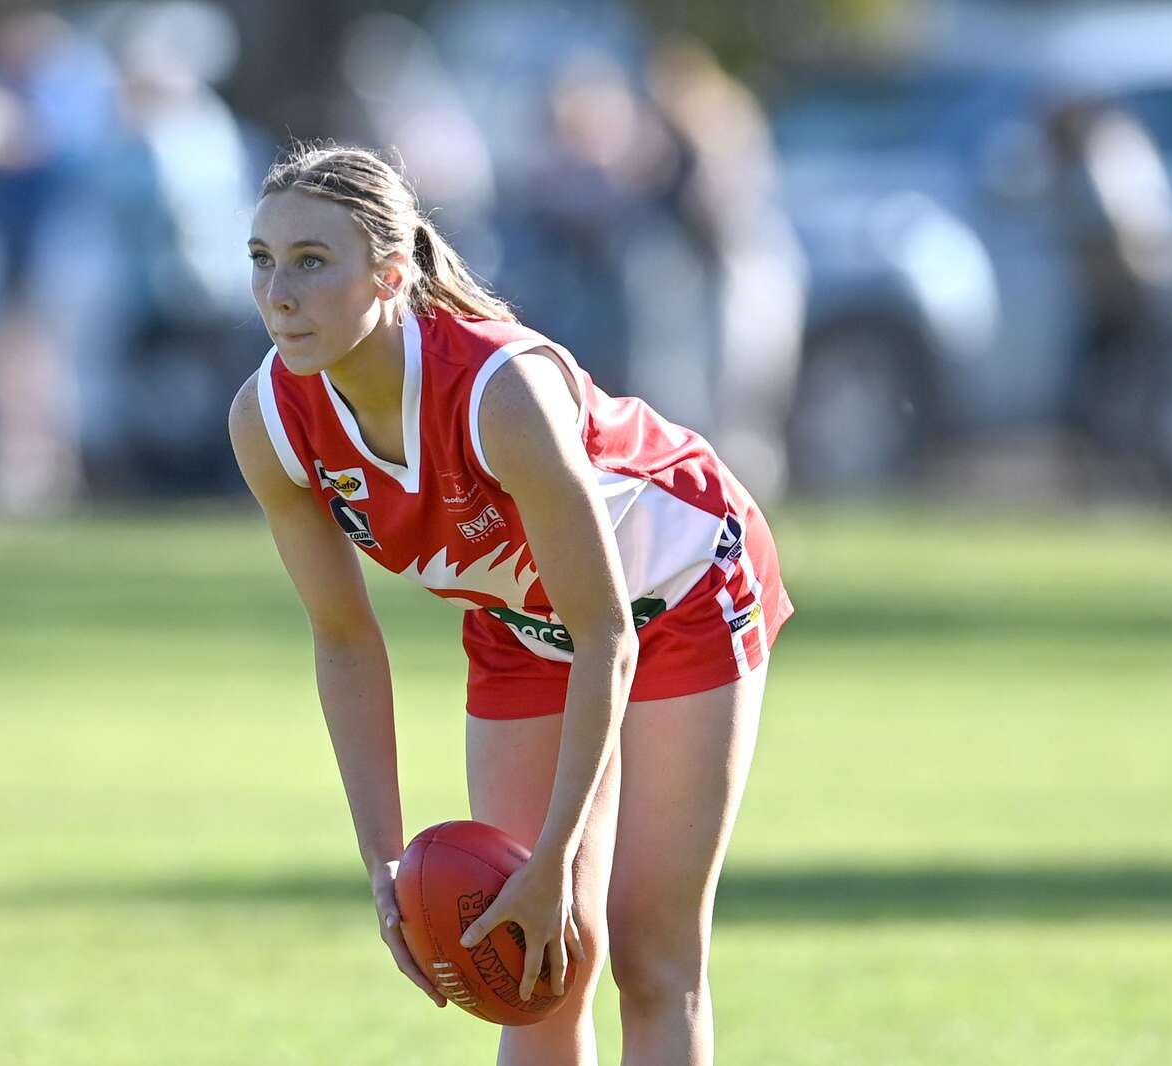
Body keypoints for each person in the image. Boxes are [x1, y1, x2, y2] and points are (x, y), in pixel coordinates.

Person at [228, 143, 792, 1066]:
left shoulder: (501, 391)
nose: (278, 292)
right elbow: (344, 642)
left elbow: (608, 631)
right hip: (526, 627)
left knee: (651, 955)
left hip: (680, 589)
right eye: (262, 260)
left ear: (390, 274)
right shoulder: (270, 423)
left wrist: (553, 860)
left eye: (312, 261)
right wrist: (386, 867)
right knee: (530, 971)